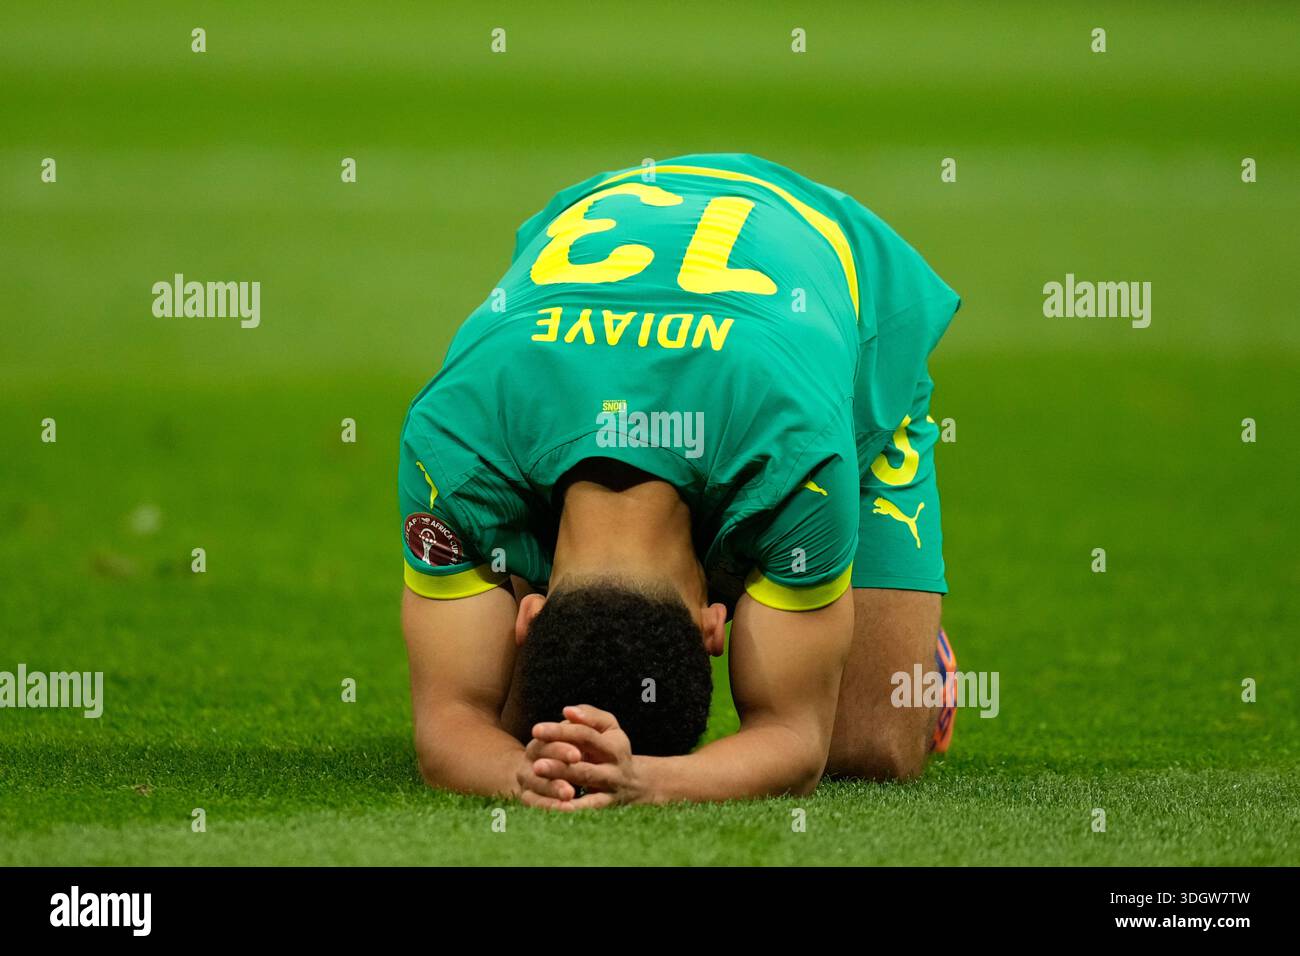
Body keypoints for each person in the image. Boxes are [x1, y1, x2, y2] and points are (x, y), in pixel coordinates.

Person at [399, 153, 960, 809]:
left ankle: (904, 639)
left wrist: (649, 781)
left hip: (839, 278)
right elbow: (448, 729)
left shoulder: (803, 458)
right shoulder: (451, 441)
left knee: (865, 747)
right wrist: (520, 770)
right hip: (632, 218)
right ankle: (799, 592)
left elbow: (799, 741)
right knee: (529, 725)